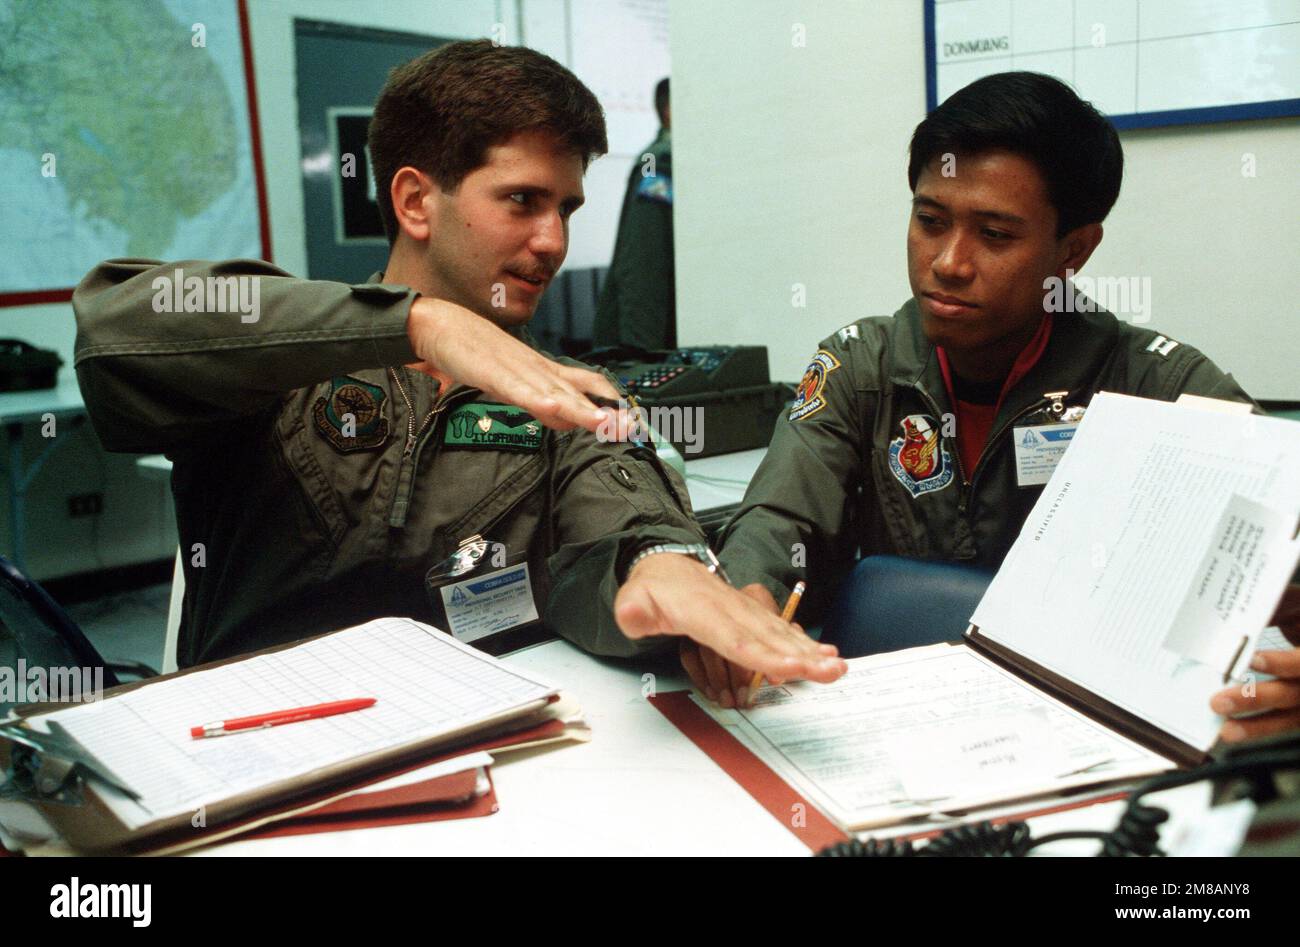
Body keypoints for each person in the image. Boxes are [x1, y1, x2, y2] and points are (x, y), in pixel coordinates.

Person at [72, 40, 847, 690]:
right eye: (522, 201)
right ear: (415, 202)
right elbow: (115, 334)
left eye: (567, 209)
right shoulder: (282, 359)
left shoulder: (555, 394)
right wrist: (417, 324)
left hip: (484, 764)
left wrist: (657, 562)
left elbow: (621, 503)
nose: (553, 241)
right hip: (249, 761)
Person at [683, 71, 1300, 740]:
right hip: (886, 726)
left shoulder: (1154, 380)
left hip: (1086, 737)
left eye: (996, 235)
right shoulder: (862, 363)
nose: (948, 262)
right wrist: (743, 599)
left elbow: (1278, 514)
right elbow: (779, 517)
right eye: (930, 221)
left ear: (1074, 250)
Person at [593, 77, 675, 351]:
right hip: (647, 346)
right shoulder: (659, 164)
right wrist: (644, 355)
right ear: (670, 112)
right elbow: (643, 262)